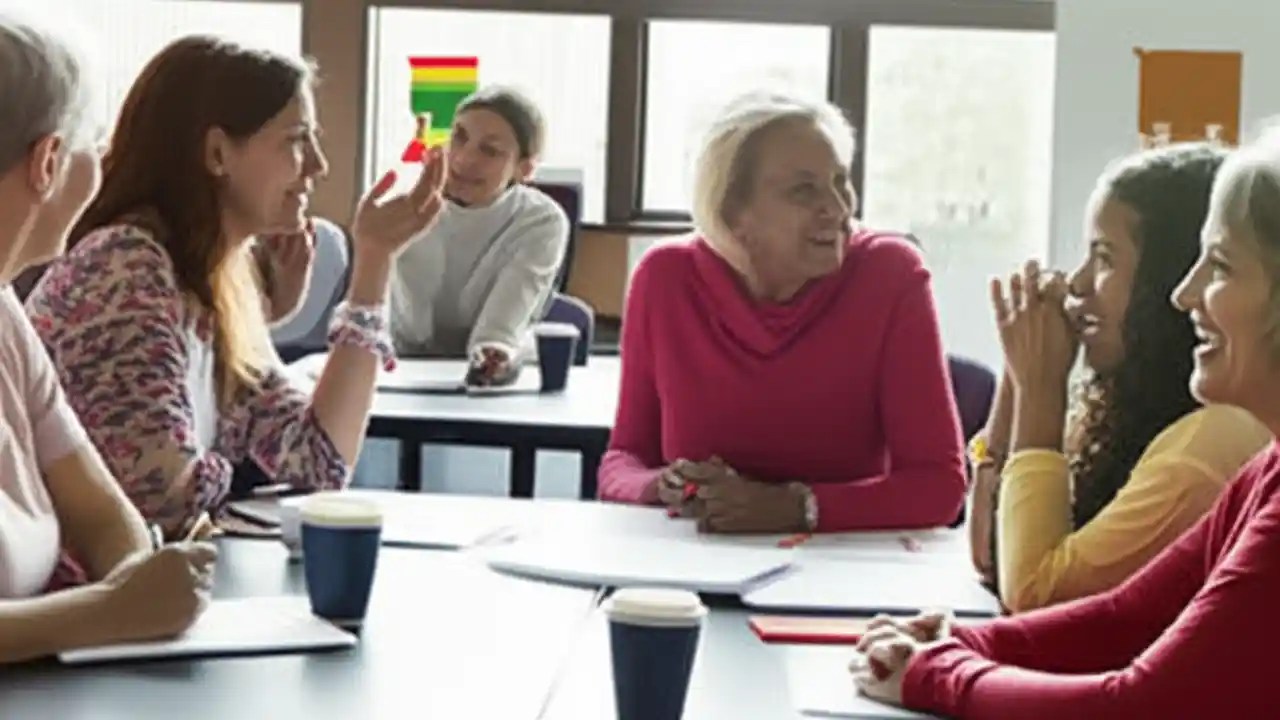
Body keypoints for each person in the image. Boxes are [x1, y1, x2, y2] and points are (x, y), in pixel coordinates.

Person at [854, 132, 1280, 718]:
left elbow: (1143, 701)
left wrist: (938, 674)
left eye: (1222, 267)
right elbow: (1124, 617)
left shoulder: (1218, 447)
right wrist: (964, 641)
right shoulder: (1268, 468)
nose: (1185, 295)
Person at [25, 35, 447, 539]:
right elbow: (163, 499)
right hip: (81, 587)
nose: (318, 165)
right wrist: (236, 467)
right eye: (296, 139)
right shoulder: (123, 270)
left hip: (152, 578)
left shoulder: (212, 279)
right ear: (218, 153)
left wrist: (374, 263)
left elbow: (319, 461)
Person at [598, 92, 966, 533]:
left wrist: (794, 508)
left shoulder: (890, 273)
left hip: (847, 562)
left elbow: (939, 486)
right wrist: (661, 485)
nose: (838, 209)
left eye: (840, 182)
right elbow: (622, 460)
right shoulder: (665, 278)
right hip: (699, 556)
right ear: (733, 213)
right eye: (803, 191)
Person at [968, 144, 1269, 612]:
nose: (1077, 283)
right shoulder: (1132, 407)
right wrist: (1020, 372)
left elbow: (1036, 596)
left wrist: (1040, 389)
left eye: (1105, 259)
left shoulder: (1213, 438)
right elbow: (990, 558)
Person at [0, 7, 215, 662]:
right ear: (49, 161)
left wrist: (138, 577)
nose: (102, 164)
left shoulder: (6, 310)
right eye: (93, 143)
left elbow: (97, 510)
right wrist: (112, 610)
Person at [389, 86, 569, 386]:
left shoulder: (540, 220)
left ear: (524, 169)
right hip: (398, 368)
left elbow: (497, 334)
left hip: (486, 378)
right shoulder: (404, 204)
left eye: (490, 151)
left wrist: (492, 358)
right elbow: (399, 327)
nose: (463, 159)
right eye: (459, 137)